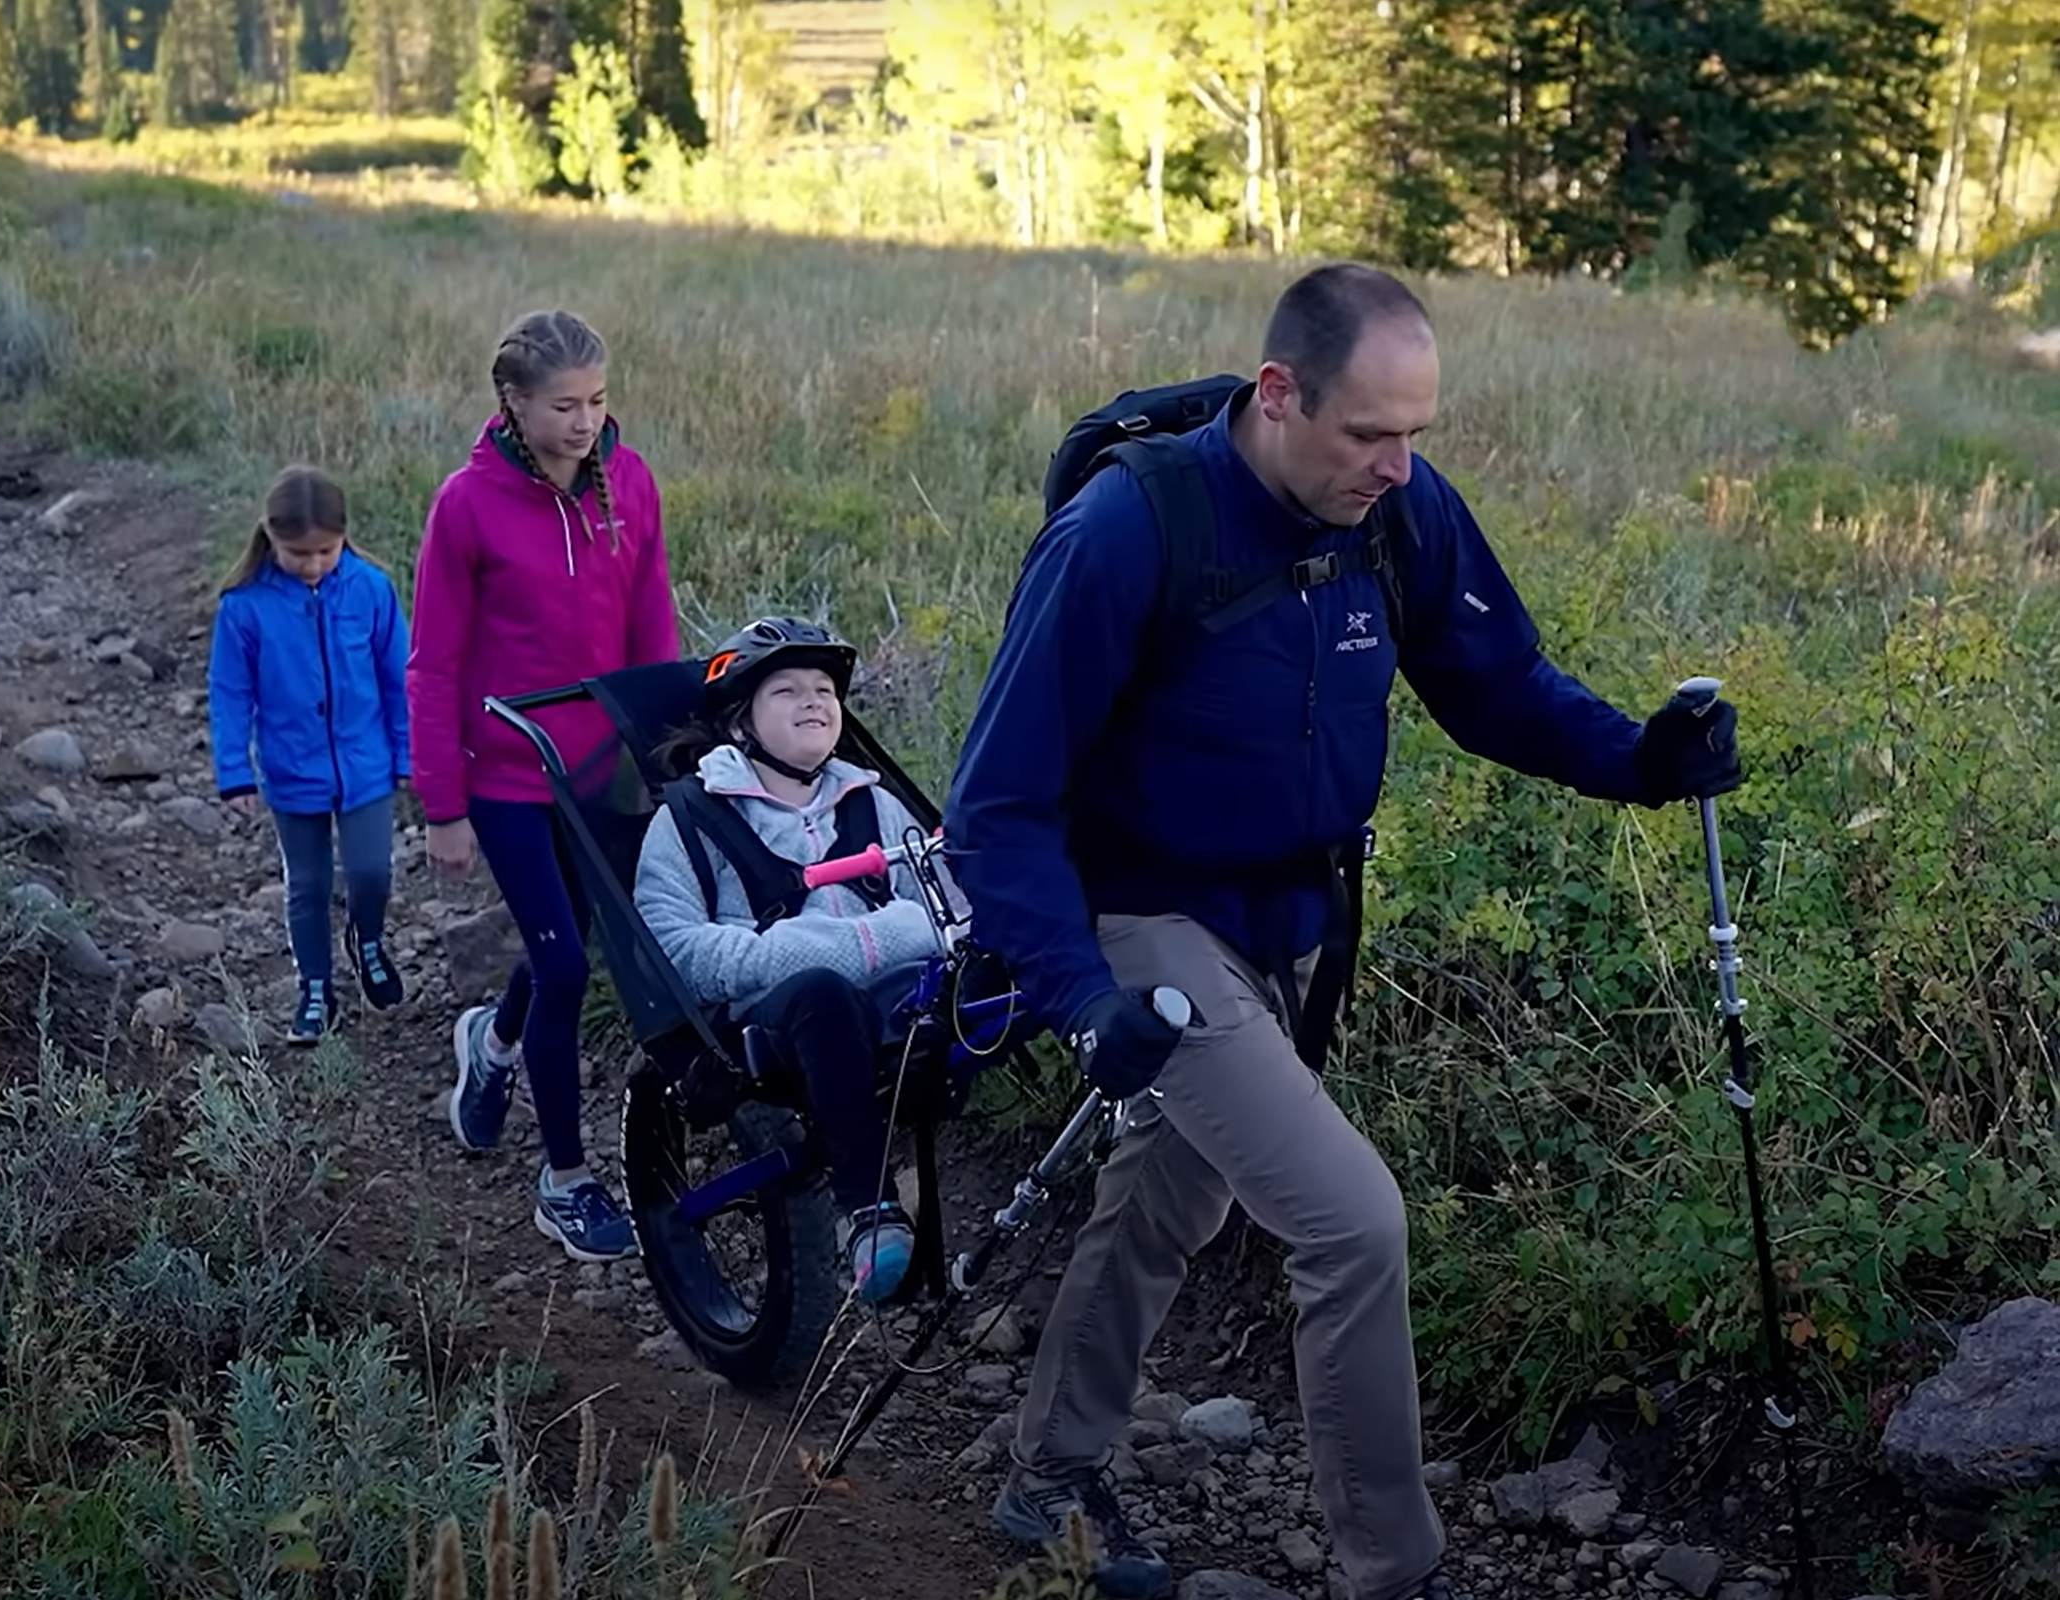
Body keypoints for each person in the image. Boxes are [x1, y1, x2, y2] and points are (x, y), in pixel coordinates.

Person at [941, 263, 1743, 1600]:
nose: (1396, 462)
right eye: (1368, 432)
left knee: (1164, 1199)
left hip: (1293, 918)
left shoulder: (1397, 509)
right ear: (1276, 394)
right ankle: (1392, 1570)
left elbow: (1496, 687)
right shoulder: (1128, 533)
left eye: (1415, 431)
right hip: (1150, 918)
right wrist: (1084, 999)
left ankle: (1046, 1481)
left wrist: (1642, 761)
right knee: (1351, 1225)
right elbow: (997, 804)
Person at [407, 308, 679, 1264]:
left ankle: (492, 1040)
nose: (585, 421)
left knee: (573, 943)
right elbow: (434, 663)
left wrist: (667, 752)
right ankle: (564, 1183)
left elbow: (653, 622)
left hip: (599, 771)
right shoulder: (466, 507)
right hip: (507, 775)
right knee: (563, 964)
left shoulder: (629, 484)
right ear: (512, 405)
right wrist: (442, 805)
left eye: (598, 401)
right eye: (563, 405)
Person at [632, 617, 954, 1304]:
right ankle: (865, 1215)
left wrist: (877, 940)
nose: (813, 701)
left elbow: (945, 903)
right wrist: (824, 950)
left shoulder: (874, 800)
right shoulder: (691, 815)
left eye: (824, 690)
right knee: (822, 992)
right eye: (786, 690)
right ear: (740, 723)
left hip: (894, 988)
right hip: (775, 1003)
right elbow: (677, 946)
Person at [207, 465, 411, 1046]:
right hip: (292, 772)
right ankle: (315, 986)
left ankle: (367, 938)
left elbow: (399, 678)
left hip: (366, 766)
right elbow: (229, 694)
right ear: (270, 538)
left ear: (344, 536)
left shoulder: (371, 588)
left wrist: (406, 753)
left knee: (372, 870)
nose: (314, 564)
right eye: (299, 553)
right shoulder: (244, 607)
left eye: (326, 550)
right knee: (308, 884)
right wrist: (234, 773)